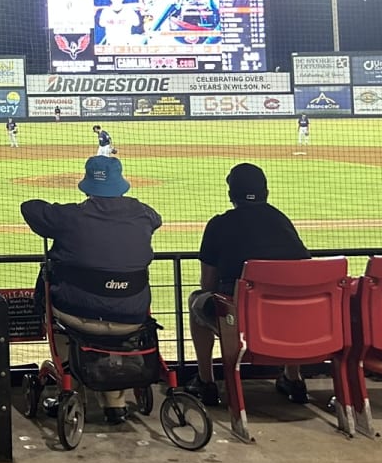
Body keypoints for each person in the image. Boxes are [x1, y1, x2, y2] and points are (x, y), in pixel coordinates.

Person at [21, 155, 161, 424]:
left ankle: (71, 387)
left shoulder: (70, 217)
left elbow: (30, 208)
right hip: (131, 318)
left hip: (76, 316)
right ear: (121, 186)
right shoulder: (142, 213)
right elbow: (156, 218)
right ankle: (115, 402)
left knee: (58, 314)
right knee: (110, 324)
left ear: (86, 187)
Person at [185, 163, 311, 407]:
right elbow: (304, 270)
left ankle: (206, 381)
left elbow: (208, 284)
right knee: (289, 303)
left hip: (241, 322)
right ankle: (293, 378)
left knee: (196, 301)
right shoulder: (281, 221)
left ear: (231, 194)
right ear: (266, 191)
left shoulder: (219, 224)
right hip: (291, 321)